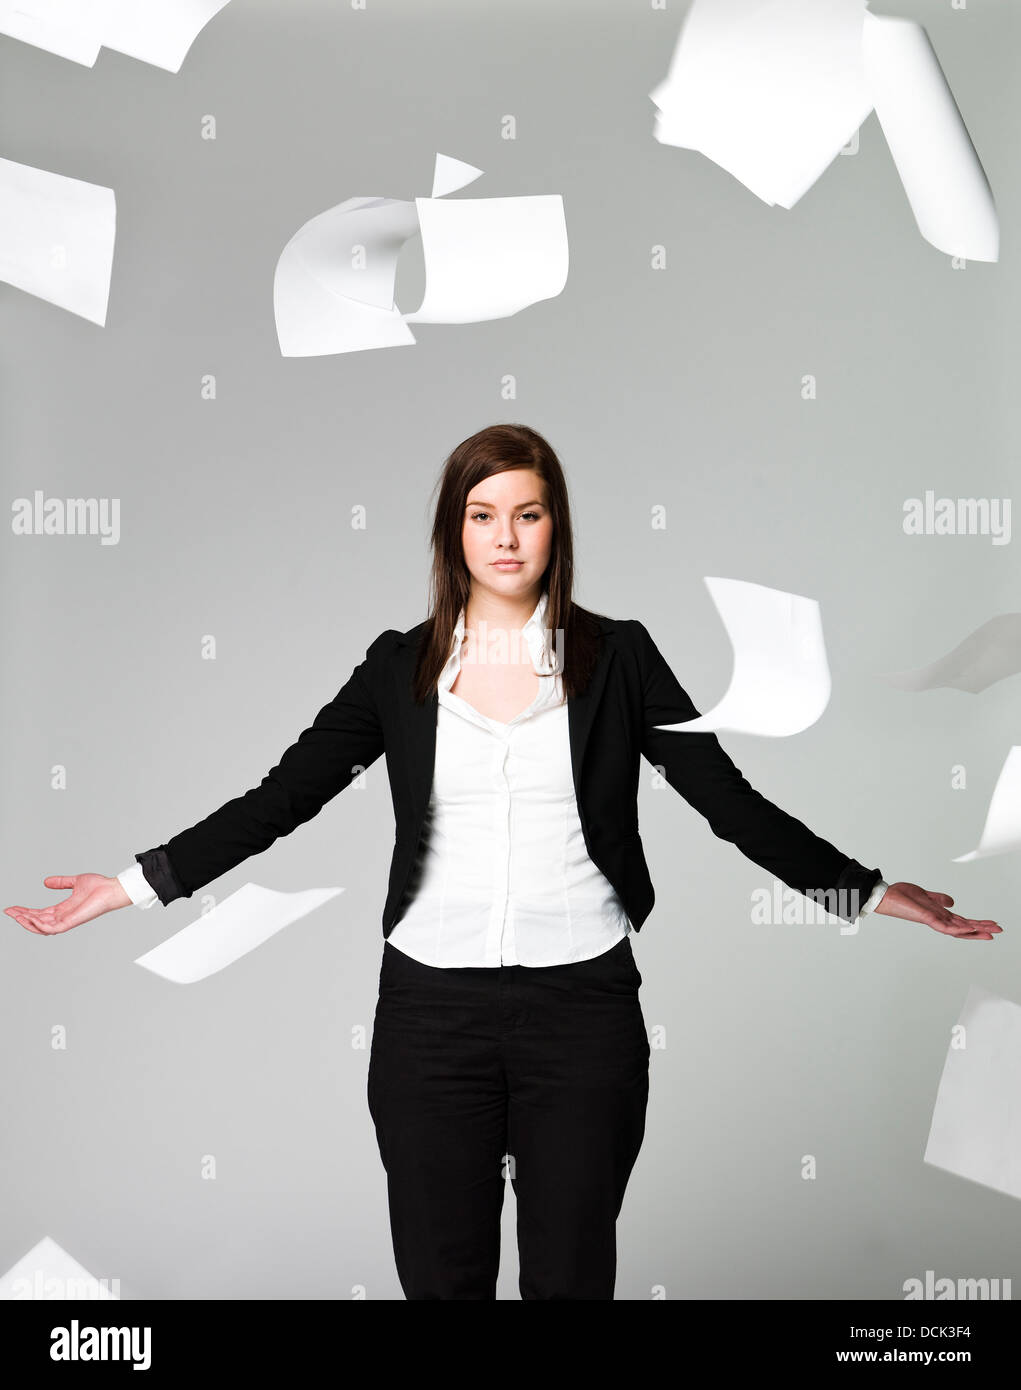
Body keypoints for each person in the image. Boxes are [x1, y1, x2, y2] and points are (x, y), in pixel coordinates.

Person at [5, 423, 1002, 1300]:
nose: (508, 537)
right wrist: (134, 885)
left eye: (528, 514)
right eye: (485, 515)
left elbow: (727, 802)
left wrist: (867, 890)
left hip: (585, 1012)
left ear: (555, 527)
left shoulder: (619, 656)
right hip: (429, 1017)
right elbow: (283, 797)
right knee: (444, 1280)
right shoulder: (396, 667)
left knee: (570, 1277)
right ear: (453, 531)